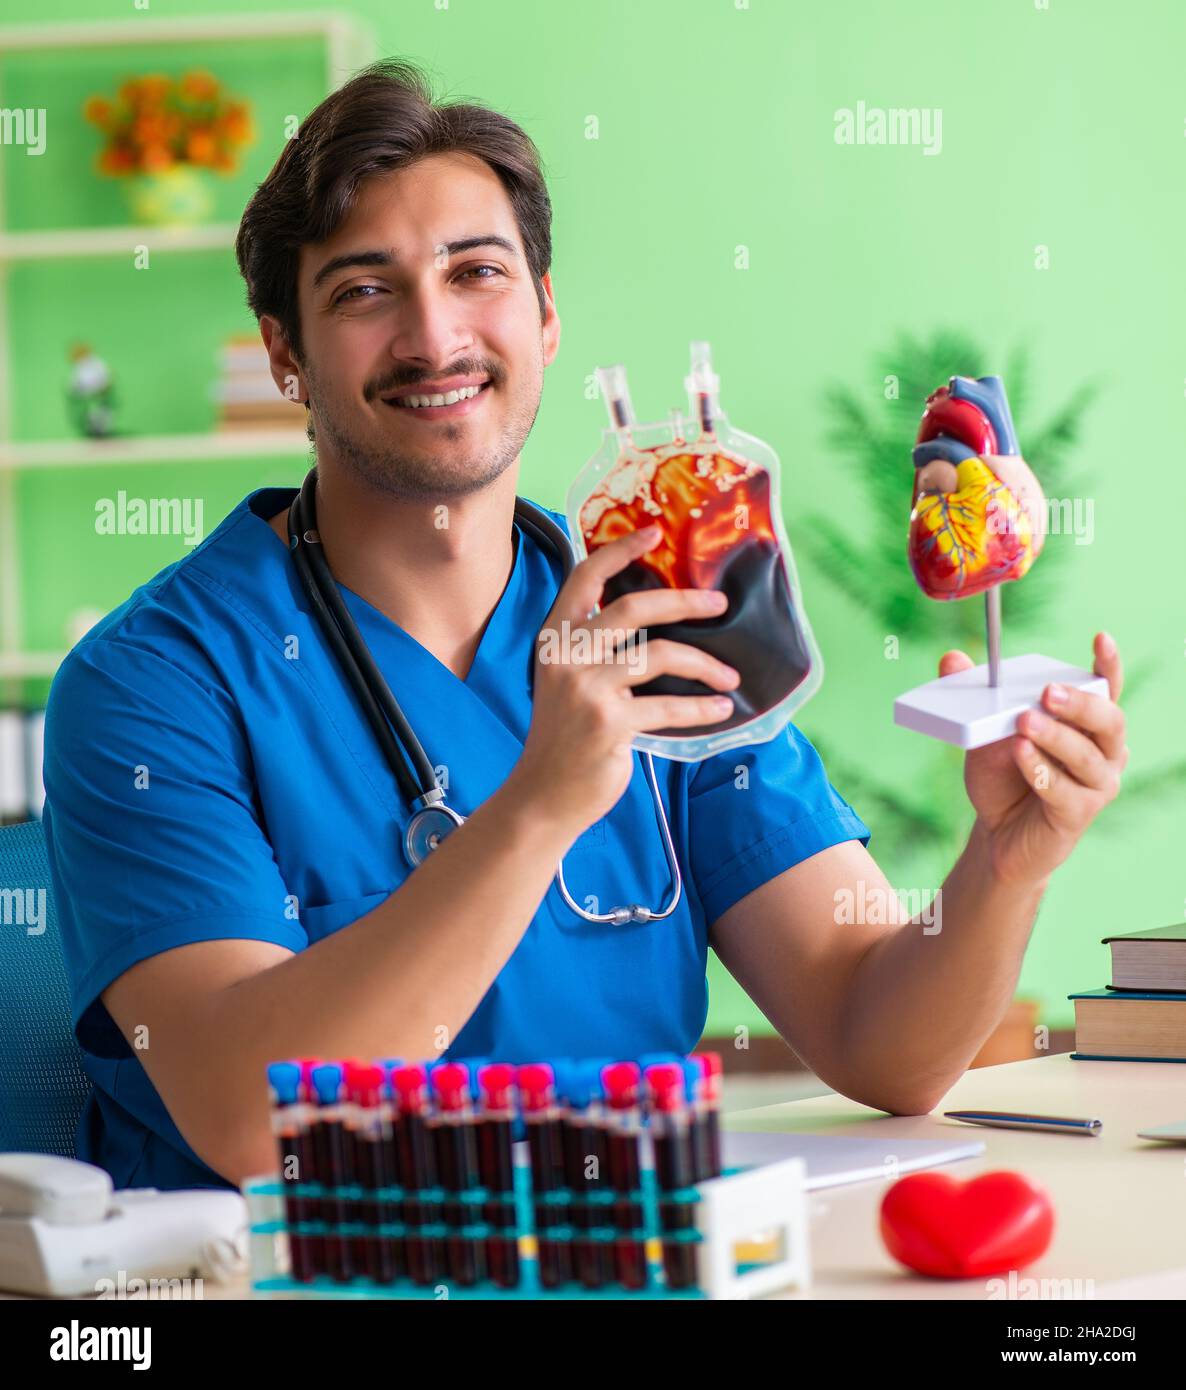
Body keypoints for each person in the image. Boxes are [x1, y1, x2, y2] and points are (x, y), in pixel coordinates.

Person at [43, 61, 1127, 1191]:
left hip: (618, 1258)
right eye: (365, 291)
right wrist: (539, 806)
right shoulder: (155, 684)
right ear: (284, 355)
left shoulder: (668, 605)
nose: (433, 333)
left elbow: (878, 1039)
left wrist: (1003, 865)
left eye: (477, 272)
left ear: (547, 317)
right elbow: (248, 1121)